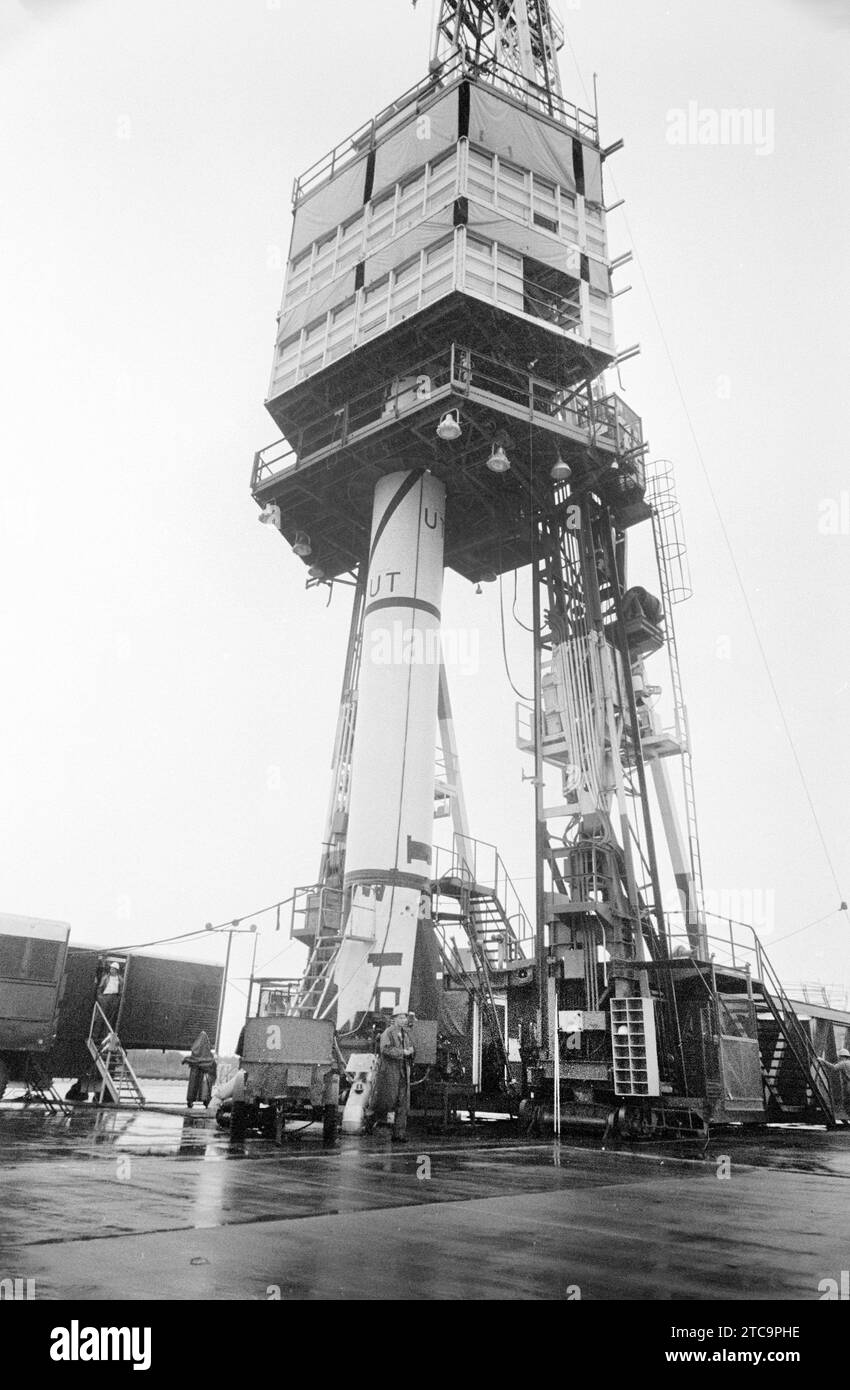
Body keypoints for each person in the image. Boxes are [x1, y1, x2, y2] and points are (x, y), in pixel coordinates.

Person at [364, 1009, 416, 1142]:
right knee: (384, 1101)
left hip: (402, 1073)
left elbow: (410, 1048)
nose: (404, 1020)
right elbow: (385, 1049)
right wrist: (403, 1052)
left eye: (405, 1018)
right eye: (402, 1017)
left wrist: (411, 1051)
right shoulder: (388, 1033)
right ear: (395, 1019)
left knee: (402, 1103)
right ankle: (368, 1124)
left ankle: (399, 1134)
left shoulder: (405, 1034)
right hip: (389, 1073)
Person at [182, 1030, 217, 1109]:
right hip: (206, 1074)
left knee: (193, 1086)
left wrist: (186, 1060)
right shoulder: (209, 1056)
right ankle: (206, 1100)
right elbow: (212, 1064)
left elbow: (190, 1059)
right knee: (205, 1087)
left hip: (195, 1071)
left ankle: (191, 1100)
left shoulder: (195, 1054)